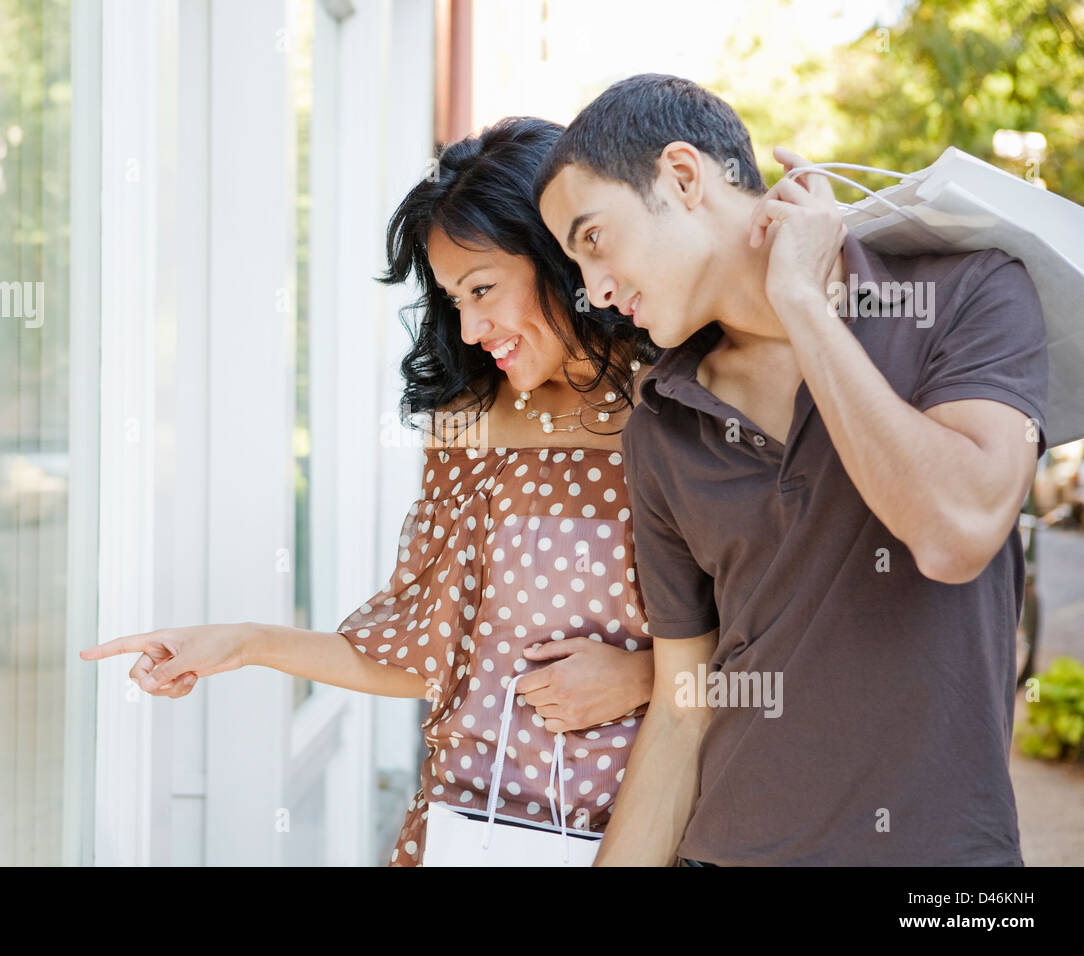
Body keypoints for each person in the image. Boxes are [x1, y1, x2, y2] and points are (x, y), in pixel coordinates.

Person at [81, 116, 663, 866]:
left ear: (559, 256)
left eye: (484, 288)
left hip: (645, 830)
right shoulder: (467, 418)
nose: (473, 325)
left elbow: (779, 636)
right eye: (454, 299)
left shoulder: (679, 402)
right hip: (466, 826)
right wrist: (243, 643)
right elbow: (424, 648)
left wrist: (643, 677)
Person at [534, 73, 1049, 866]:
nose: (596, 290)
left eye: (594, 238)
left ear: (682, 176)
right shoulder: (661, 424)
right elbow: (682, 708)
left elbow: (957, 531)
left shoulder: (968, 295)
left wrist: (803, 304)